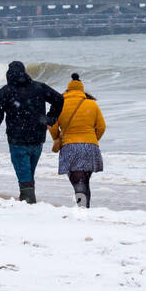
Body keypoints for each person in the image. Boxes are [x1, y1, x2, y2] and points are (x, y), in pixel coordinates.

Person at [0, 60, 63, 204]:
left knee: (25, 177)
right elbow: (59, 99)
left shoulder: (5, 92)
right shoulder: (39, 87)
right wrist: (50, 119)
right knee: (28, 175)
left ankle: (29, 204)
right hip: (37, 139)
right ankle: (28, 201)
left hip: (17, 140)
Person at [49, 72, 106, 208]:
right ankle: (85, 207)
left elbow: (52, 126)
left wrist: (57, 138)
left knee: (78, 182)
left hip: (70, 146)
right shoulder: (92, 105)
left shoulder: (60, 104)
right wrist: (92, 139)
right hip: (90, 147)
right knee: (85, 181)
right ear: (82, 90)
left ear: (68, 90)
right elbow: (101, 127)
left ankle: (82, 208)